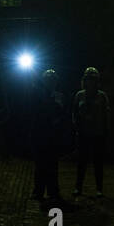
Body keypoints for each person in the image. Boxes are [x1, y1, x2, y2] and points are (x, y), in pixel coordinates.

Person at [72, 66, 110, 197]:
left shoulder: (102, 96)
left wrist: (105, 130)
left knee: (98, 162)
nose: (91, 82)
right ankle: (78, 187)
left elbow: (106, 114)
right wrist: (77, 127)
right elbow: (74, 113)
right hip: (83, 133)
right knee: (81, 162)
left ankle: (99, 188)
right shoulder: (80, 95)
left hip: (97, 133)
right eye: (88, 79)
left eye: (93, 79)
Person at [30, 69, 66, 201]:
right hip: (40, 133)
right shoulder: (37, 94)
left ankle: (53, 191)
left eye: (52, 80)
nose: (50, 82)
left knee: (52, 164)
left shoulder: (58, 95)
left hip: (52, 135)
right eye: (48, 80)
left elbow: (59, 111)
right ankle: (38, 191)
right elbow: (34, 110)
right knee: (40, 164)